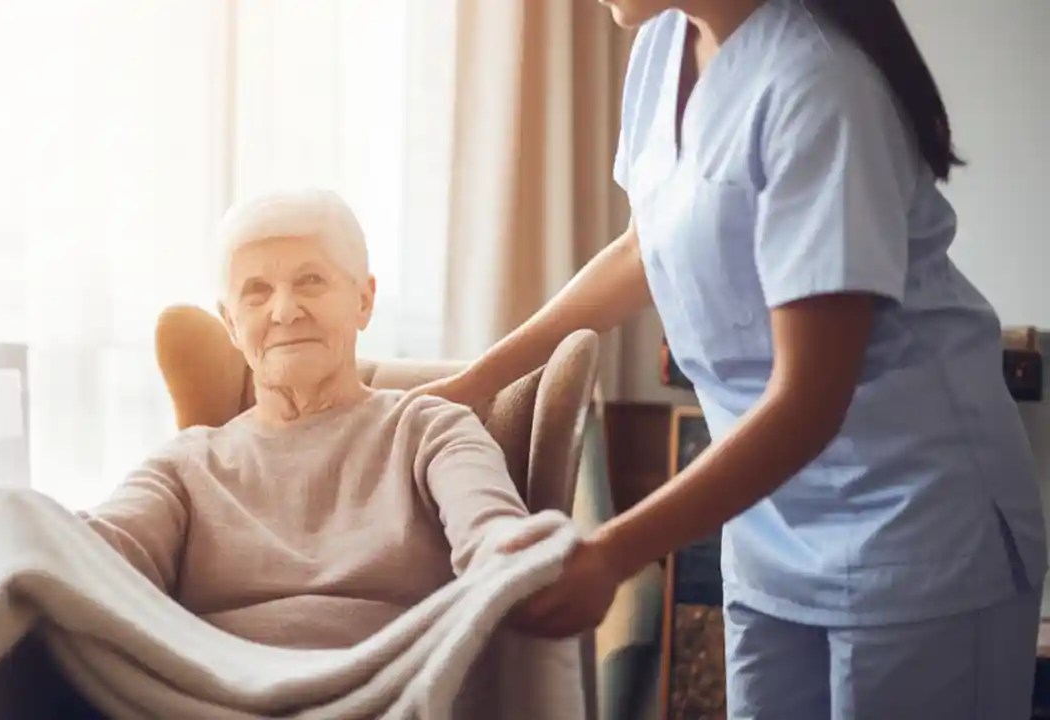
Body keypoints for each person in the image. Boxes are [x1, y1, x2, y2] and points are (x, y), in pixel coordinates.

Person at [420, 0, 1047, 717]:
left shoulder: (820, 85)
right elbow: (641, 248)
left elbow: (808, 401)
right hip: (768, 523)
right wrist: (477, 381)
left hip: (915, 531)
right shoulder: (663, 45)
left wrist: (612, 554)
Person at [80, 189, 532, 650]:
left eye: (311, 280)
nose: (284, 311)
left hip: (394, 686)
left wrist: (517, 554)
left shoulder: (430, 429)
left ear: (363, 300)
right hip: (211, 692)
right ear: (231, 324)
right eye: (256, 292)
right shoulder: (188, 463)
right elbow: (92, 555)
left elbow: (494, 534)